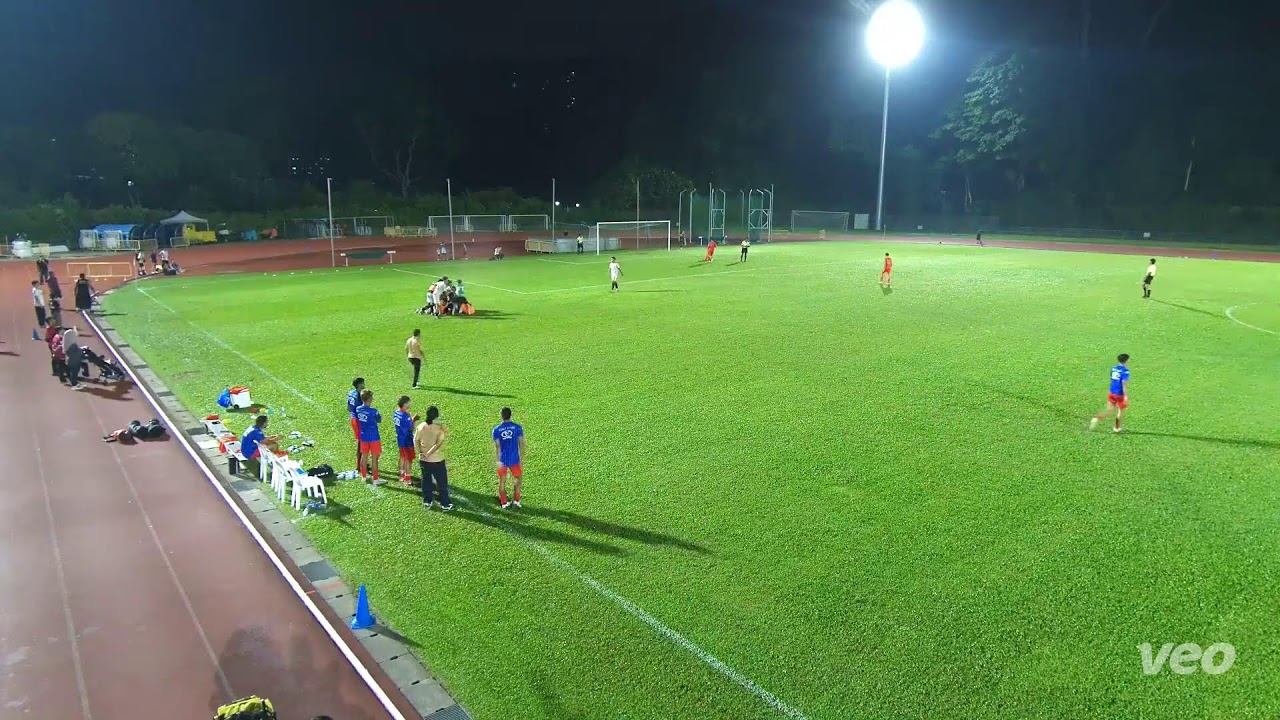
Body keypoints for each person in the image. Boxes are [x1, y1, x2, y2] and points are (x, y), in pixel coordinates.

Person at [415, 406, 453, 510]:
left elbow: (416, 440)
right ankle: (445, 504)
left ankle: (428, 501)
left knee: (426, 481)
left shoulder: (421, 426)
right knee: (442, 483)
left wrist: (421, 453)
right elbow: (438, 444)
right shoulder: (439, 428)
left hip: (423, 460)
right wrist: (428, 453)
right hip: (437, 460)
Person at [492, 407, 526, 509]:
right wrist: (521, 458)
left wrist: (498, 460)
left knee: (502, 481)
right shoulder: (517, 428)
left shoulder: (496, 430)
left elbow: (497, 446)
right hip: (514, 459)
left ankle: (504, 502)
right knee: (517, 479)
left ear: (501, 416)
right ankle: (516, 500)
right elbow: (521, 444)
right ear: (510, 415)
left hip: (502, 459)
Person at [1090, 354, 1131, 433]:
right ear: (1126, 360)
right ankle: (1116, 428)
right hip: (1120, 394)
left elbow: (1112, 379)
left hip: (1112, 392)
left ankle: (1096, 418)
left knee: (1109, 410)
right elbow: (1124, 383)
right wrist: (1126, 396)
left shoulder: (1114, 368)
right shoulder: (1125, 371)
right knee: (1120, 411)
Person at [355, 389, 385, 485]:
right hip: (373, 437)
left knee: (364, 456)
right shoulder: (374, 411)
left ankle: (364, 476)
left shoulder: (358, 409)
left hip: (363, 437)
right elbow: (379, 420)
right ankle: (375, 479)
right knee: (374, 458)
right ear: (369, 399)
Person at [393, 396, 417, 485]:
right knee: (408, 459)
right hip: (407, 439)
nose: (410, 404)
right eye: (409, 402)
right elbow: (411, 428)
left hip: (400, 438)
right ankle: (407, 478)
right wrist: (414, 420)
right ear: (405, 404)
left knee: (402, 456)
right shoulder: (406, 416)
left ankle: (401, 475)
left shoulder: (396, 412)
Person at [347, 377, 367, 476]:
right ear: (359, 385)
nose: (364, 385)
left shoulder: (351, 393)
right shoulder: (360, 396)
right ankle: (359, 465)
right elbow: (360, 410)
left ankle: (361, 463)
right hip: (358, 420)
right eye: (363, 383)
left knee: (361, 441)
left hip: (352, 418)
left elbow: (348, 408)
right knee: (361, 443)